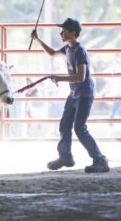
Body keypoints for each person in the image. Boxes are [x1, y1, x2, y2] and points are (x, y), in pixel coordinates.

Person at [31, 18, 110, 173]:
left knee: (80, 128)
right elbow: (52, 53)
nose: (61, 33)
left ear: (73, 33)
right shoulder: (68, 48)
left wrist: (59, 78)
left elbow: (81, 77)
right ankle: (65, 156)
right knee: (64, 125)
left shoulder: (80, 51)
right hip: (74, 94)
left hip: (84, 94)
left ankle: (100, 160)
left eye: (64, 30)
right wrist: (37, 39)